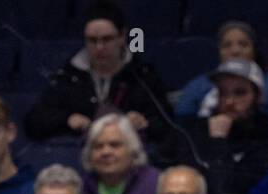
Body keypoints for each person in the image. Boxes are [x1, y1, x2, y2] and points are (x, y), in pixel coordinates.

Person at [23, 0, 174, 154]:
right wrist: (66, 120)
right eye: (92, 40)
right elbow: (34, 123)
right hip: (79, 159)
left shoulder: (143, 76)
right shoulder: (68, 77)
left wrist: (144, 122)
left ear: (122, 37)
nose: (99, 47)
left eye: (107, 39)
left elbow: (168, 125)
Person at [173, 60, 268, 194]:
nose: (229, 102)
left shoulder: (265, 142)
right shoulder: (197, 132)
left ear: (257, 97)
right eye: (223, 93)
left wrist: (218, 140)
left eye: (240, 93)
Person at [175, 20, 268, 139]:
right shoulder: (197, 86)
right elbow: (182, 128)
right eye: (227, 45)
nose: (235, 51)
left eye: (243, 44)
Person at [79, 113, 158, 194]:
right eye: (98, 147)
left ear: (133, 150)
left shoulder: (156, 184)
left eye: (115, 145)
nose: (106, 152)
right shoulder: (78, 191)